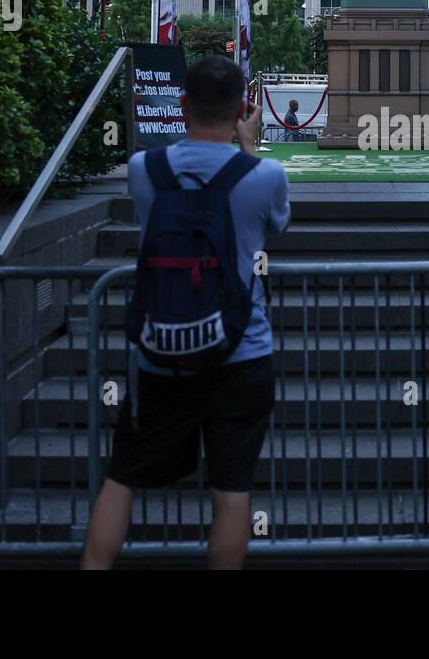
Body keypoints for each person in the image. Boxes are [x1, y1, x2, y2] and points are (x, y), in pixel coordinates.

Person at [81, 56, 291, 570]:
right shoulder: (265, 176)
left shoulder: (142, 170)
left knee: (122, 476)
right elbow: (277, 227)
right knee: (231, 490)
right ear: (245, 107)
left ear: (181, 107)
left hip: (162, 352)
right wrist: (249, 147)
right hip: (242, 351)